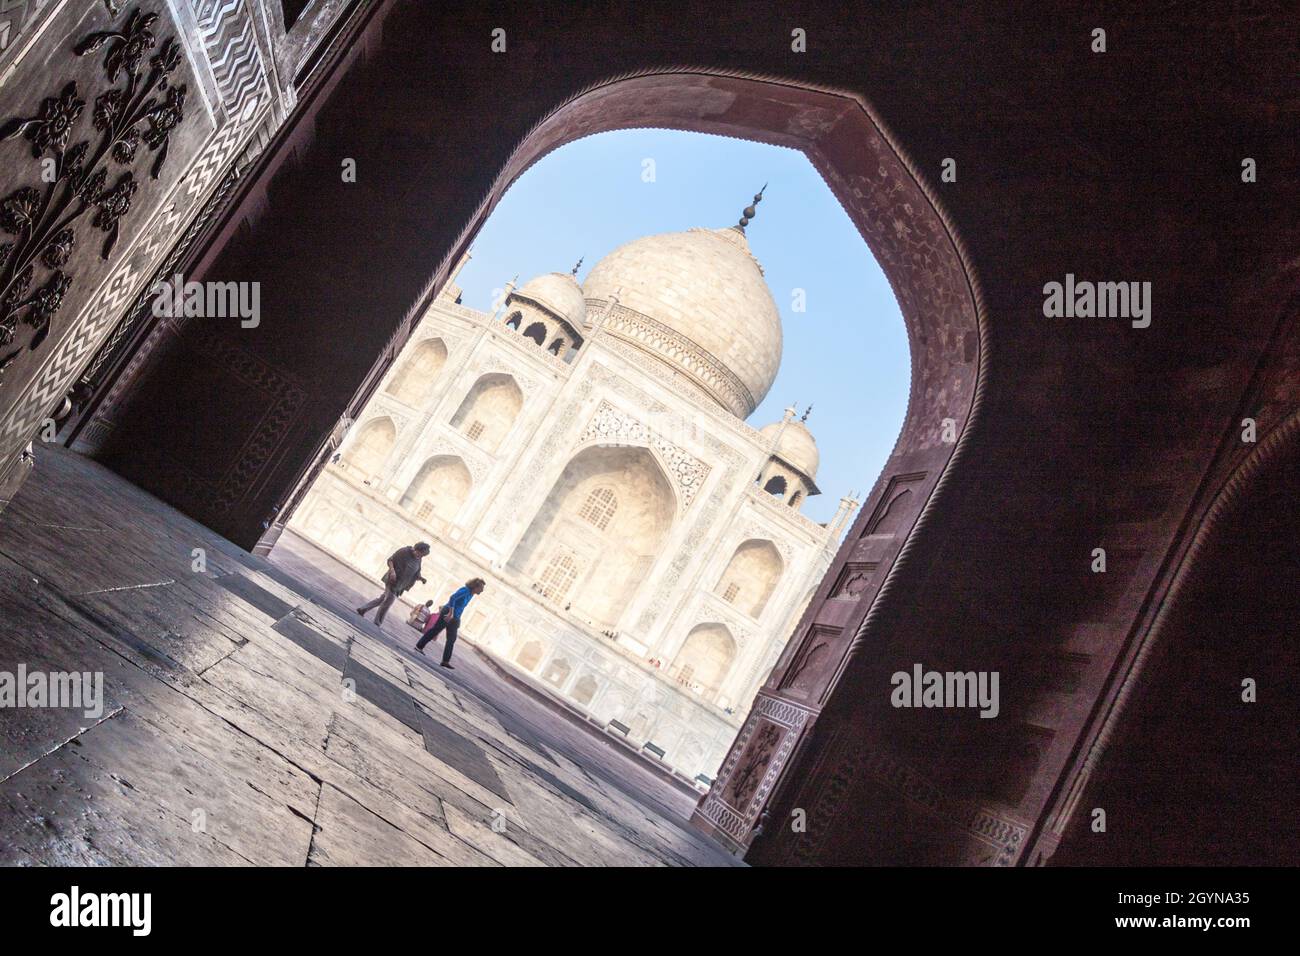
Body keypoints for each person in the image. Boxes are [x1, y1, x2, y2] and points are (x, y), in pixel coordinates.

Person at [416, 577, 486, 668]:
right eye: (481, 588)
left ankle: (445, 661)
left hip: (455, 617)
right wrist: (451, 613)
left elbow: (461, 607)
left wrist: (458, 619)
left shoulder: (471, 594)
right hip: (448, 612)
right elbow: (453, 598)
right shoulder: (465, 590)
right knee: (435, 630)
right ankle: (419, 646)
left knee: (451, 639)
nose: (482, 590)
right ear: (476, 587)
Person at [356, 542, 429, 625]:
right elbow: (391, 560)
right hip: (393, 580)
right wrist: (392, 571)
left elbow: (416, 572)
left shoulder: (419, 559)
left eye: (423, 556)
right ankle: (378, 622)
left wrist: (421, 578)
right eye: (421, 554)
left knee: (382, 599)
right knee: (389, 600)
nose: (421, 556)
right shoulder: (404, 551)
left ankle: (363, 609)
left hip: (400, 585)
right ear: (417, 549)